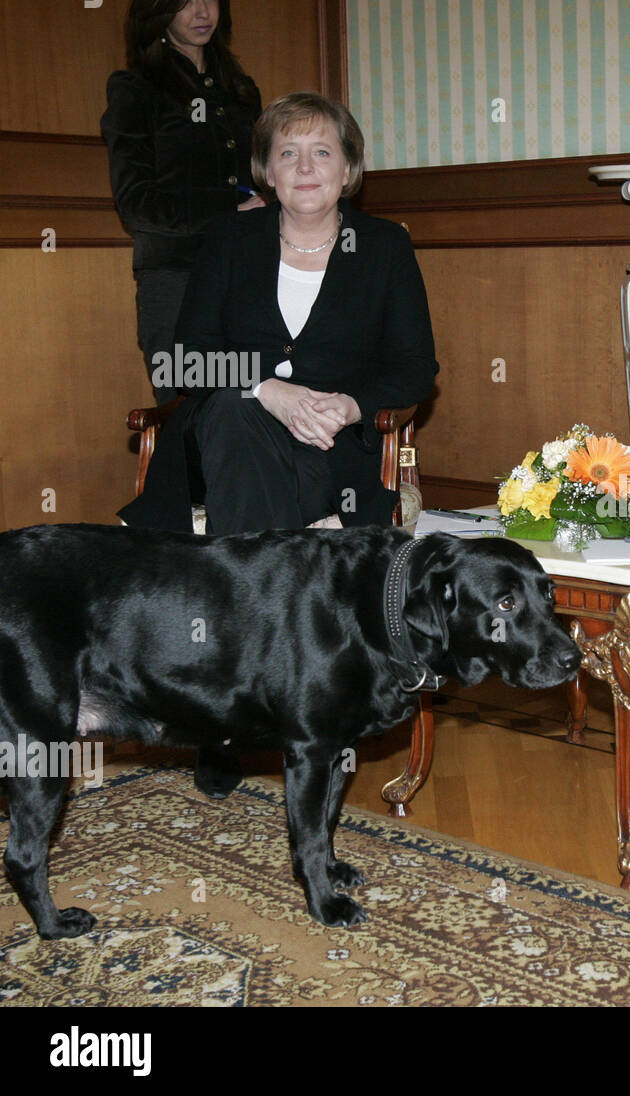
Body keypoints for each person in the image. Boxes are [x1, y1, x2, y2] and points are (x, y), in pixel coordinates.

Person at [119, 91, 438, 794]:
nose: (305, 166)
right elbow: (181, 362)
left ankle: (226, 712)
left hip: (332, 450)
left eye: (323, 151)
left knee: (268, 471)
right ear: (265, 168)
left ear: (349, 169)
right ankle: (284, 700)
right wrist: (267, 389)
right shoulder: (231, 241)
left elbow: (415, 369)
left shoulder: (383, 246)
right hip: (223, 444)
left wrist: (350, 403)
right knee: (237, 421)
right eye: (287, 152)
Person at [102, 0, 264, 405]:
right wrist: (229, 208)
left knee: (252, 410)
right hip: (177, 279)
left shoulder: (241, 90)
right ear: (158, 11)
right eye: (184, 1)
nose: (201, 10)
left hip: (247, 272)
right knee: (187, 416)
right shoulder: (135, 88)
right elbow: (136, 203)